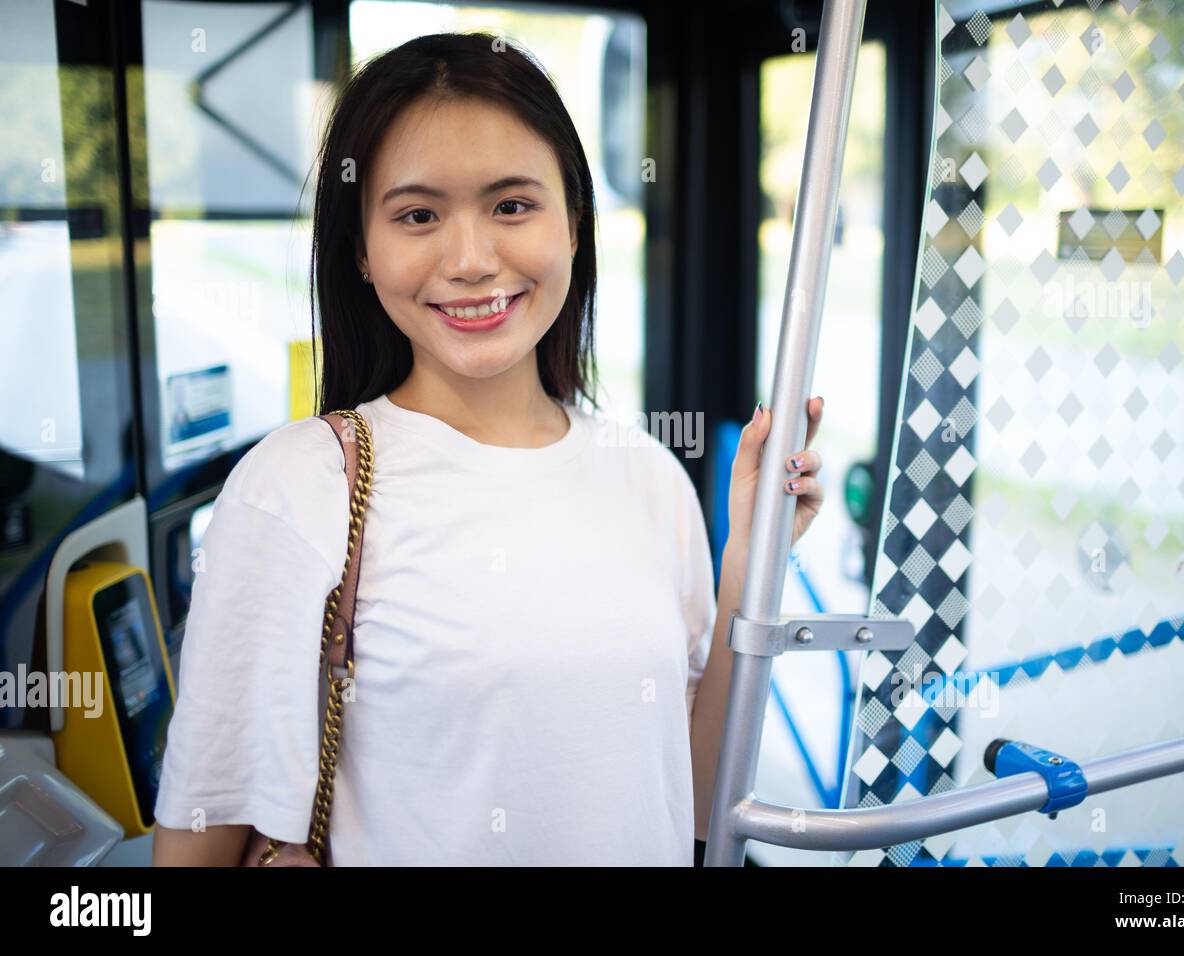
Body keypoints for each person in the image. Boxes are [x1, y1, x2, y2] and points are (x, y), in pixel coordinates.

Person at [150, 32, 825, 866]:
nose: (471, 261)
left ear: (575, 224)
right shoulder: (296, 488)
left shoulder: (647, 473)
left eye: (512, 205)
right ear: (362, 250)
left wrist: (747, 569)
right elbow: (196, 851)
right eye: (418, 215)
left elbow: (693, 793)